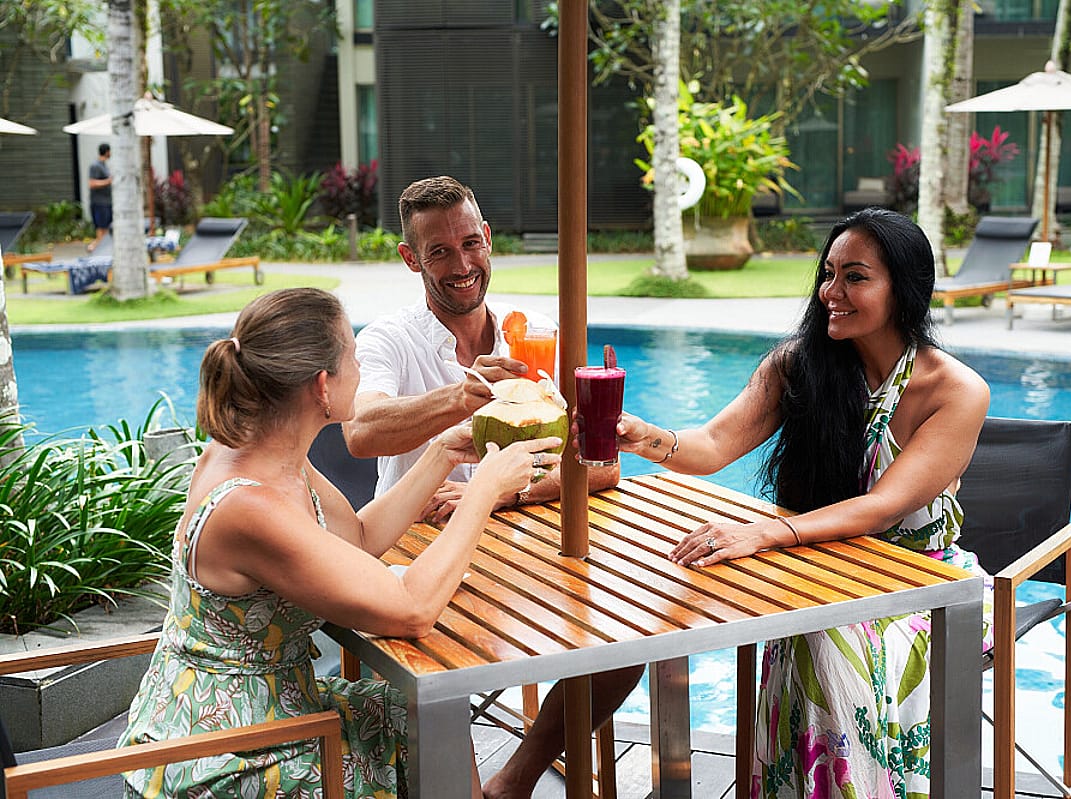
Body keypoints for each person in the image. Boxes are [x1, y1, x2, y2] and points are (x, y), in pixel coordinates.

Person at [119, 287, 561, 799]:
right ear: (323, 386)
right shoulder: (247, 506)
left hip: (274, 706)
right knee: (427, 723)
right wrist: (484, 488)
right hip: (223, 753)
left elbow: (358, 537)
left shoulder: (271, 446)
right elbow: (412, 610)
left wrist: (442, 451)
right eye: (354, 355)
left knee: (429, 711)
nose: (362, 369)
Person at [611, 208, 994, 798]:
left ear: (906, 290)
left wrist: (761, 534)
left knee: (825, 640)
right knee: (805, 626)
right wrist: (648, 439)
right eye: (829, 272)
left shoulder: (955, 391)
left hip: (926, 585)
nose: (831, 292)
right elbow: (712, 444)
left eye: (856, 277)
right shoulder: (799, 364)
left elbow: (882, 508)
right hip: (821, 571)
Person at [343, 175, 640, 799]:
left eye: (470, 243)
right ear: (410, 260)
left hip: (522, 555)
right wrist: (457, 397)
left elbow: (603, 463)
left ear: (488, 242)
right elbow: (361, 431)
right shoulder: (389, 341)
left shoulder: (535, 335)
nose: (461, 264)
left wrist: (508, 492)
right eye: (439, 252)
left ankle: (513, 780)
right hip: (420, 554)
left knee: (625, 645)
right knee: (435, 665)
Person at [87, 143, 113, 252]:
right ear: (107, 152)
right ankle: (93, 248)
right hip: (99, 203)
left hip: (106, 202)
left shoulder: (103, 165)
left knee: (106, 229)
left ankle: (98, 248)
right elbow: (91, 183)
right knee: (101, 228)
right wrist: (108, 181)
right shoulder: (95, 166)